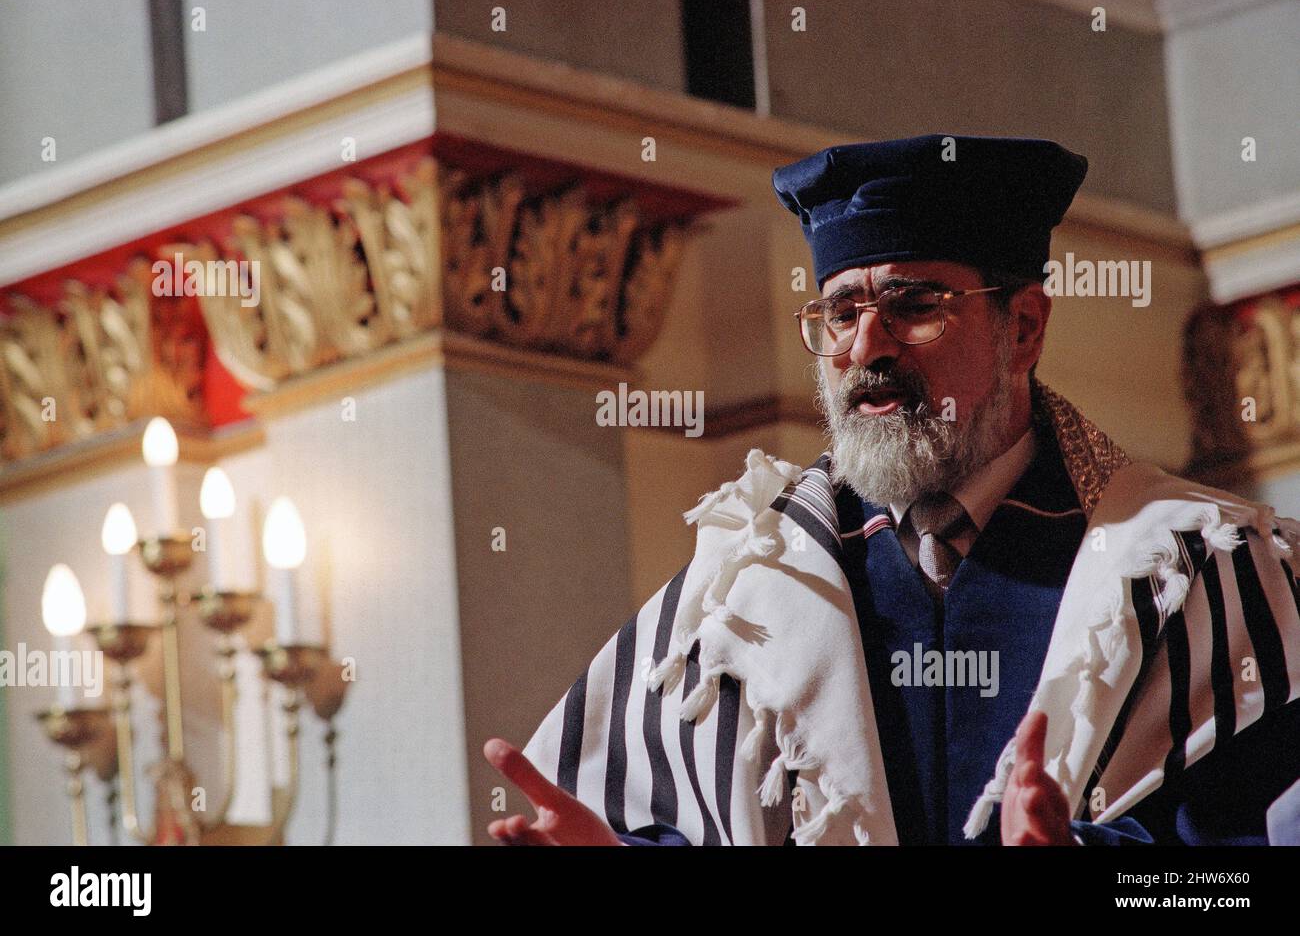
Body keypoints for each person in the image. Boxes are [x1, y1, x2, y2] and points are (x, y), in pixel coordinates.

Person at [483, 134, 1300, 845]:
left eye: (914, 306)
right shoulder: (738, 591)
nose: (865, 346)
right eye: (841, 312)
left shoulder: (1215, 575)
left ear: (1023, 327)